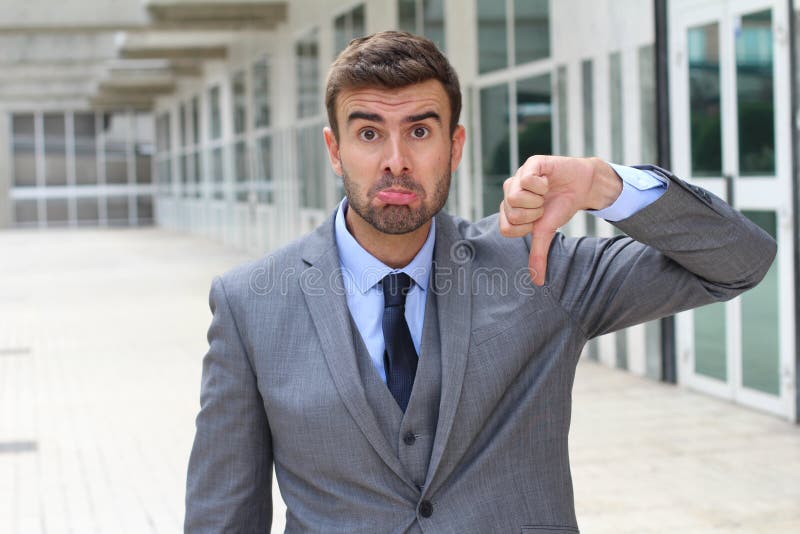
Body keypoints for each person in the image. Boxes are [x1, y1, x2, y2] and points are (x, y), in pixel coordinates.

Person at [185, 31, 776, 533]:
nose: (395, 160)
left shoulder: (540, 266)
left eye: (420, 131)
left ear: (455, 146)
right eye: (369, 134)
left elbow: (739, 261)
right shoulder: (248, 304)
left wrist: (605, 185)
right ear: (334, 150)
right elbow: (222, 517)